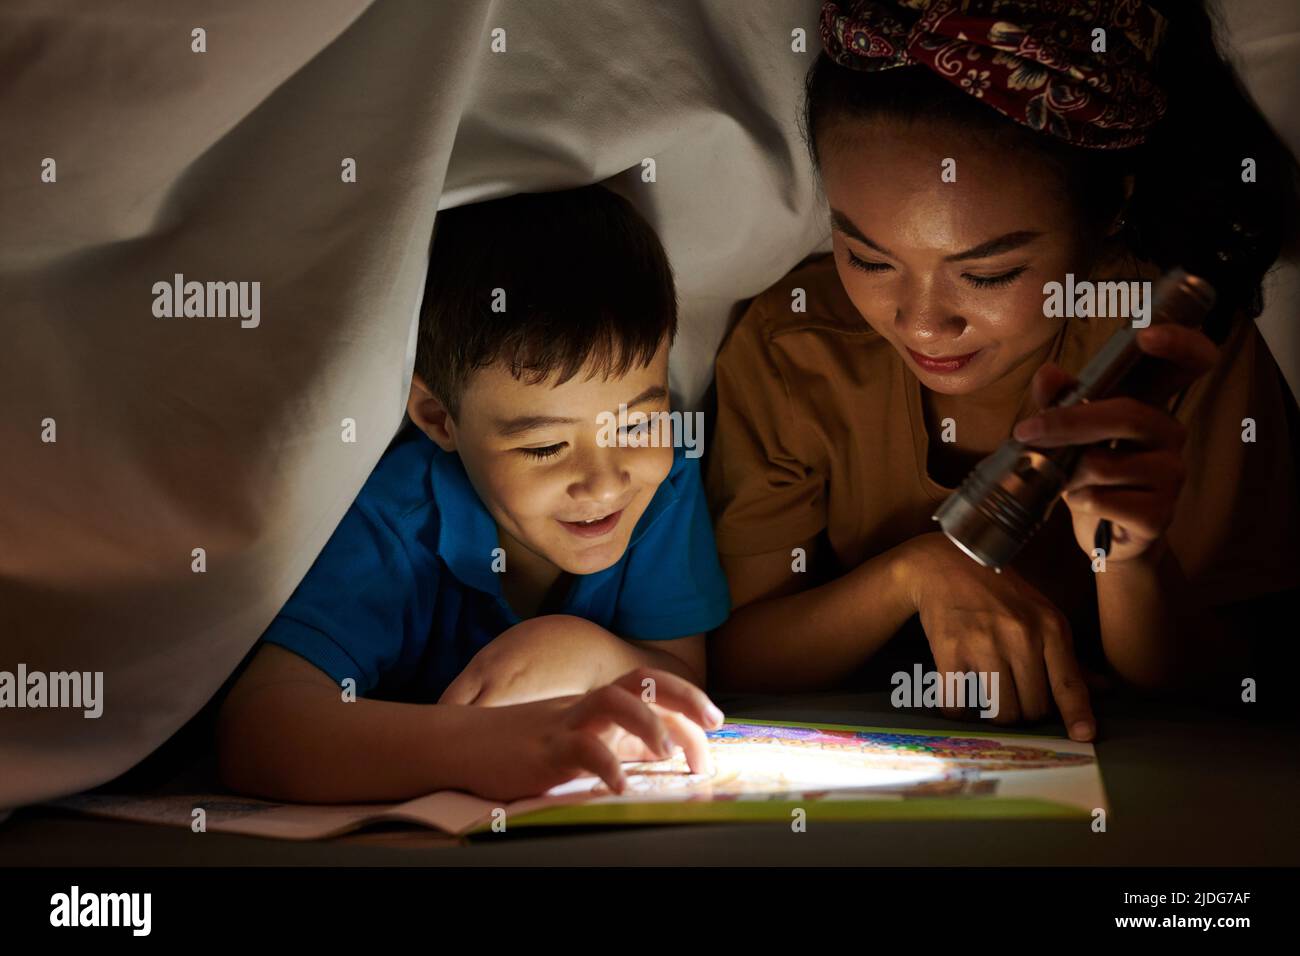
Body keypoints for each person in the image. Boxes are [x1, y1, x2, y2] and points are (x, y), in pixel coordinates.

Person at [707, 0, 1300, 740]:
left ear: (1111, 209)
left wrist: (1131, 562)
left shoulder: (1172, 349)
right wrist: (917, 574)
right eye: (867, 258)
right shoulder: (795, 349)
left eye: (987, 275)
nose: (923, 323)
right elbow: (737, 658)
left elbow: (1234, 687)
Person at [219, 186, 730, 802]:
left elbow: (682, 679)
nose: (605, 480)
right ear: (439, 419)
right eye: (545, 448)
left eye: (637, 424)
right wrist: (472, 746)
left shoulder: (662, 487)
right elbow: (259, 729)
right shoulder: (399, 521)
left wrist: (578, 651)